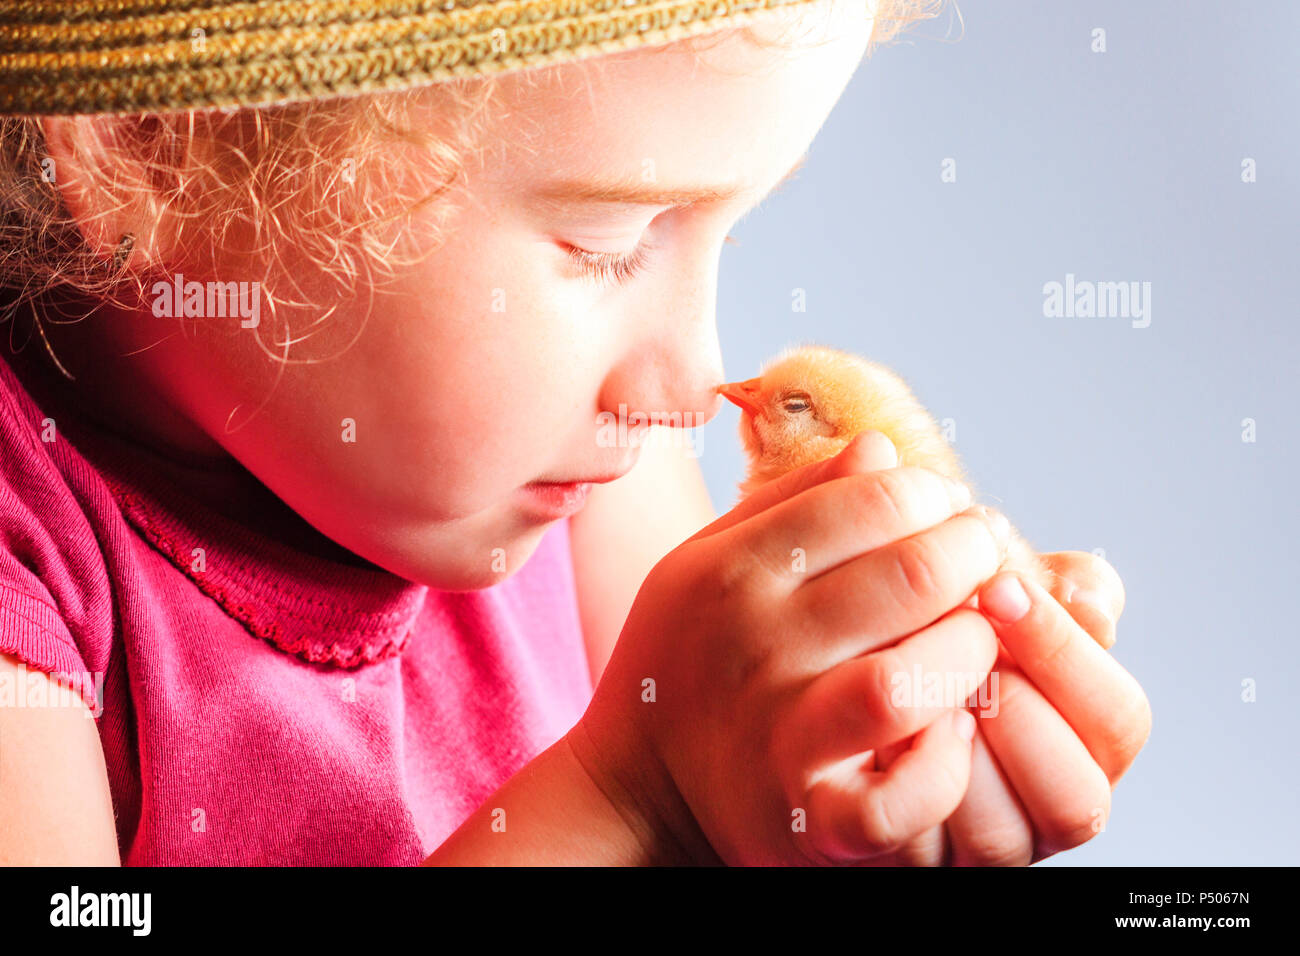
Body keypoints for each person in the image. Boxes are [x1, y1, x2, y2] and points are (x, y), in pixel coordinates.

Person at [0, 0, 1148, 865]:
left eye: (728, 234)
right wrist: (637, 801)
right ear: (158, 144)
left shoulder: (594, 476)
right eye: (606, 240)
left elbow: (753, 742)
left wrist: (871, 735)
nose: (690, 385)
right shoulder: (28, 575)